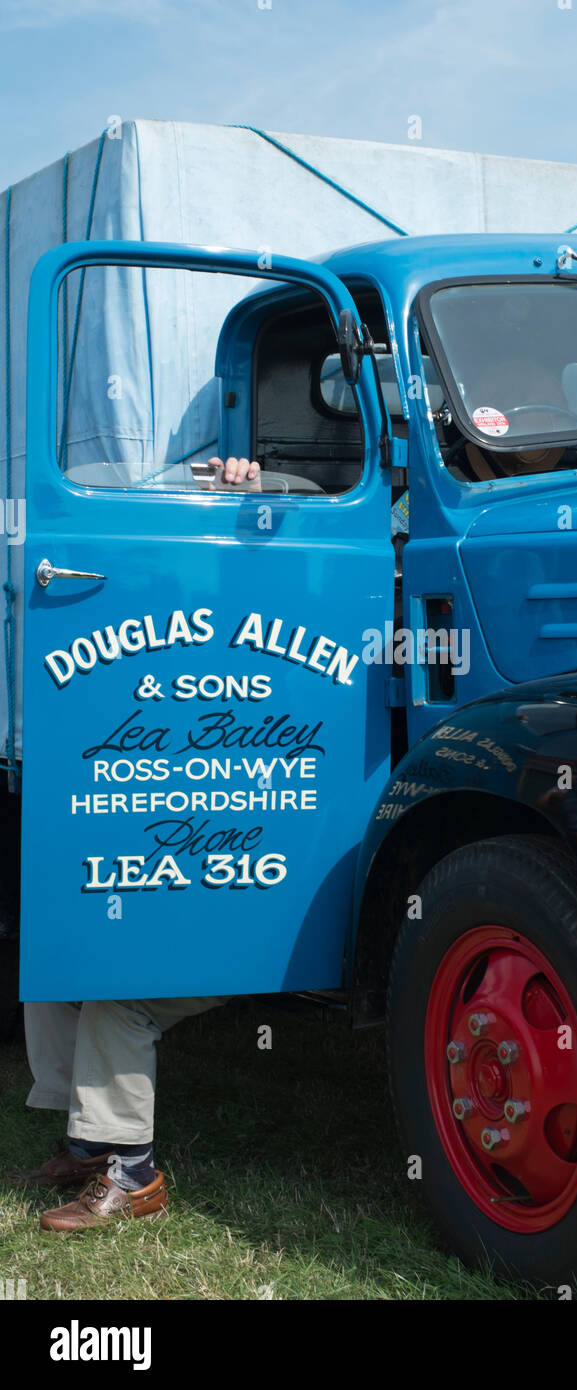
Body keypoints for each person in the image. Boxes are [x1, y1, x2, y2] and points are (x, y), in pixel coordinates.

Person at [9, 457, 253, 1233]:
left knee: (118, 993)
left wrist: (252, 498)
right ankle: (86, 1140)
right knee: (50, 969)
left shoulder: (243, 701)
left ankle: (135, 1175)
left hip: (229, 899)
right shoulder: (135, 703)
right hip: (163, 883)